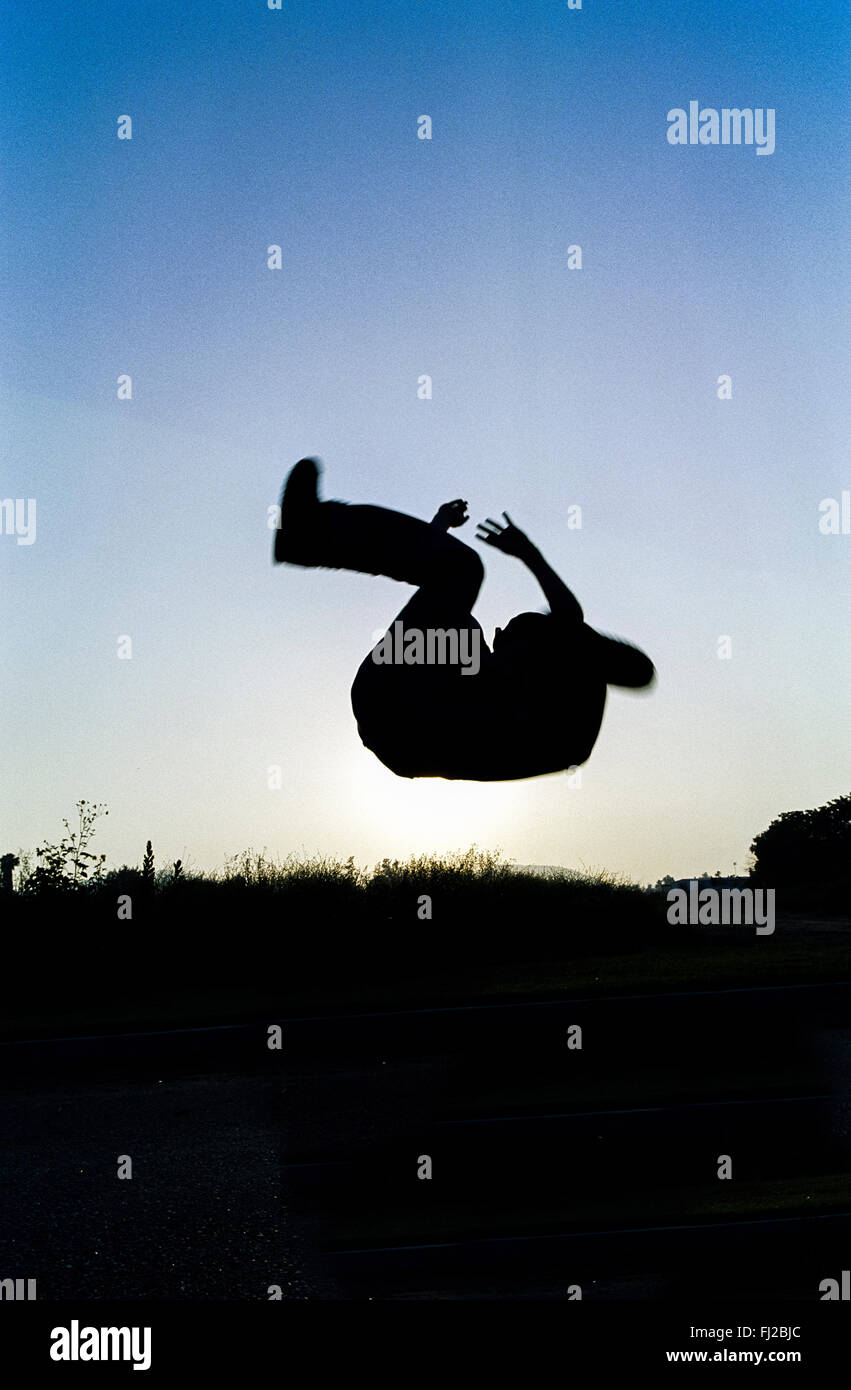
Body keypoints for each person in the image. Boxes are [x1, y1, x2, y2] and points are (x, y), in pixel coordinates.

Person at [274, 457, 655, 781]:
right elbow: (436, 607)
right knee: (460, 607)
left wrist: (527, 552)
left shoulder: (566, 708)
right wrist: (435, 533)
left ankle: (311, 534)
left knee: (463, 573)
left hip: (400, 710)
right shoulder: (550, 692)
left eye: (510, 635)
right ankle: (313, 536)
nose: (499, 631)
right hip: (398, 713)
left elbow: (569, 619)